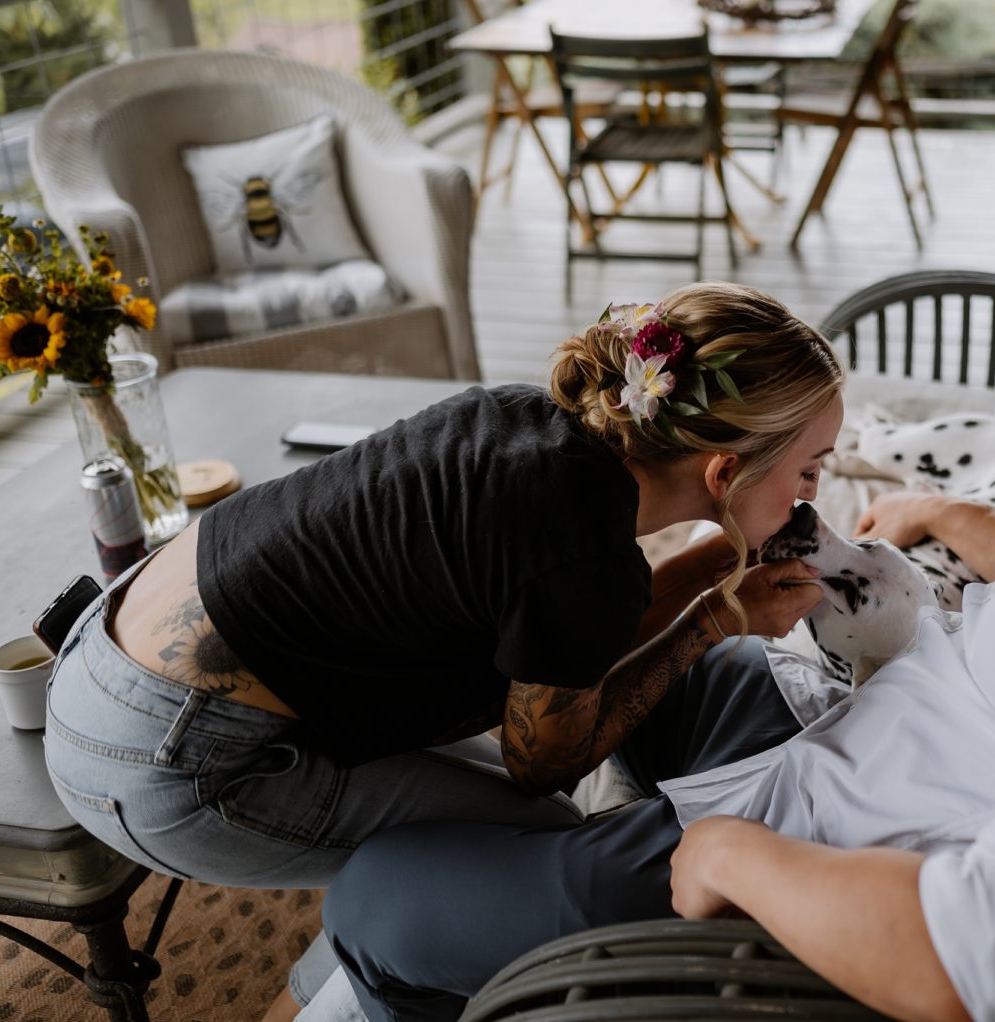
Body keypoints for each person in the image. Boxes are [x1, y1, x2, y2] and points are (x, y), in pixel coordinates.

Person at [318, 160, 995, 1022]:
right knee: (665, 641)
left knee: (371, 891)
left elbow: (986, 959)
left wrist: (730, 850)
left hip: (806, 859)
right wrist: (938, 514)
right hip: (855, 726)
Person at [42, 281, 842, 1018]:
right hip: (167, 757)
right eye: (807, 471)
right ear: (724, 469)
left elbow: (563, 645)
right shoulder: (584, 556)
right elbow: (546, 759)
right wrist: (712, 624)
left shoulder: (528, 427)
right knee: (530, 841)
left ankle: (313, 995)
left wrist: (707, 573)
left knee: (484, 844)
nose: (810, 495)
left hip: (102, 653)